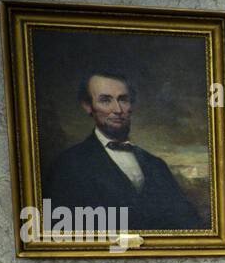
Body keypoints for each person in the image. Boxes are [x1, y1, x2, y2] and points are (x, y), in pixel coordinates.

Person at [42, 70, 203, 230]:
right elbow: (60, 233)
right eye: (105, 100)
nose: (117, 109)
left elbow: (190, 223)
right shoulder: (68, 165)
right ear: (88, 106)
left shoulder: (156, 165)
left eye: (123, 100)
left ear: (131, 105)